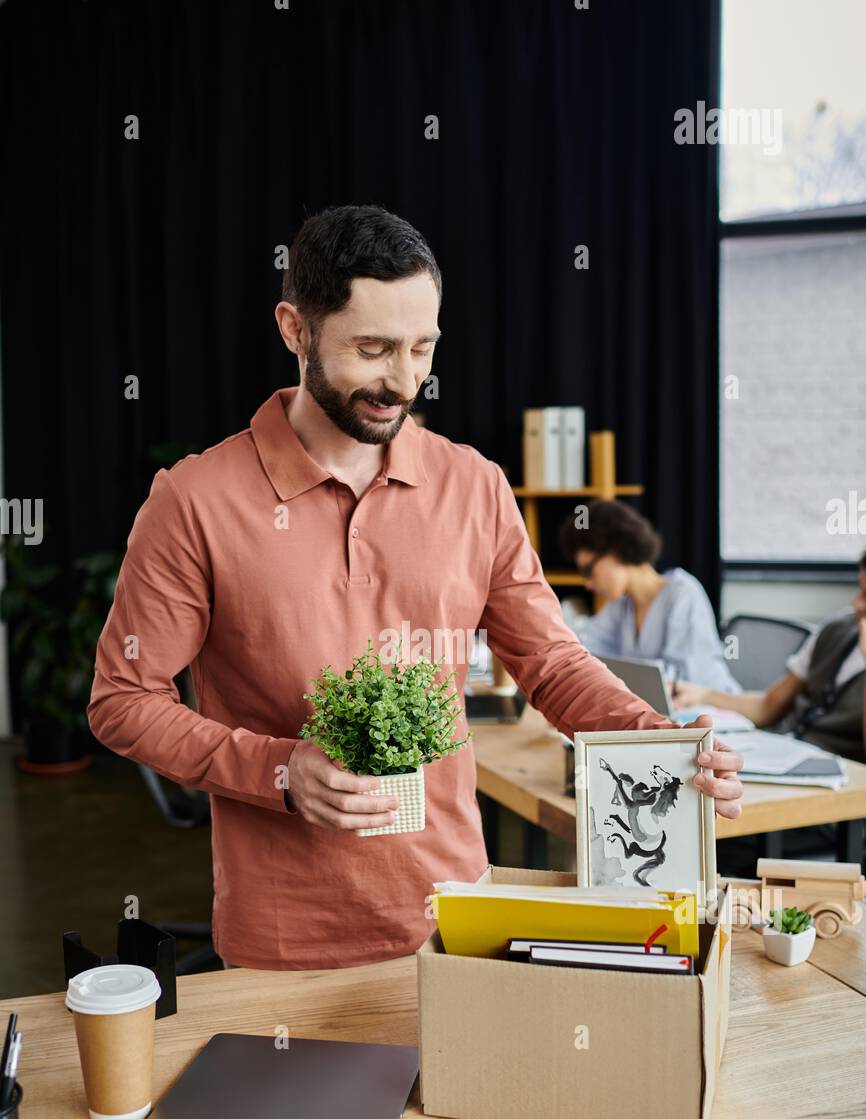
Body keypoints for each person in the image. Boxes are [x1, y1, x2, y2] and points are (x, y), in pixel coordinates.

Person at [88, 205, 743, 971]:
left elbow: (552, 665)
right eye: (372, 349)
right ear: (294, 329)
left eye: (422, 348)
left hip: (456, 915)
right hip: (283, 938)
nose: (402, 380)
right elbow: (122, 700)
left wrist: (654, 739)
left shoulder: (475, 486)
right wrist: (277, 767)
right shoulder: (195, 499)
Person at [672, 553, 866, 872]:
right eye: (859, 589)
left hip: (830, 804)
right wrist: (704, 694)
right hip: (783, 765)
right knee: (697, 812)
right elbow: (768, 707)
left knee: (714, 838)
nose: (858, 604)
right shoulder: (837, 628)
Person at [558, 499, 741, 694]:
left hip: (717, 715)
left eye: (589, 570)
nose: (588, 583)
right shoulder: (621, 605)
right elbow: (587, 647)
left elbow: (683, 682)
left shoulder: (682, 594)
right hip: (664, 717)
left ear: (616, 550)